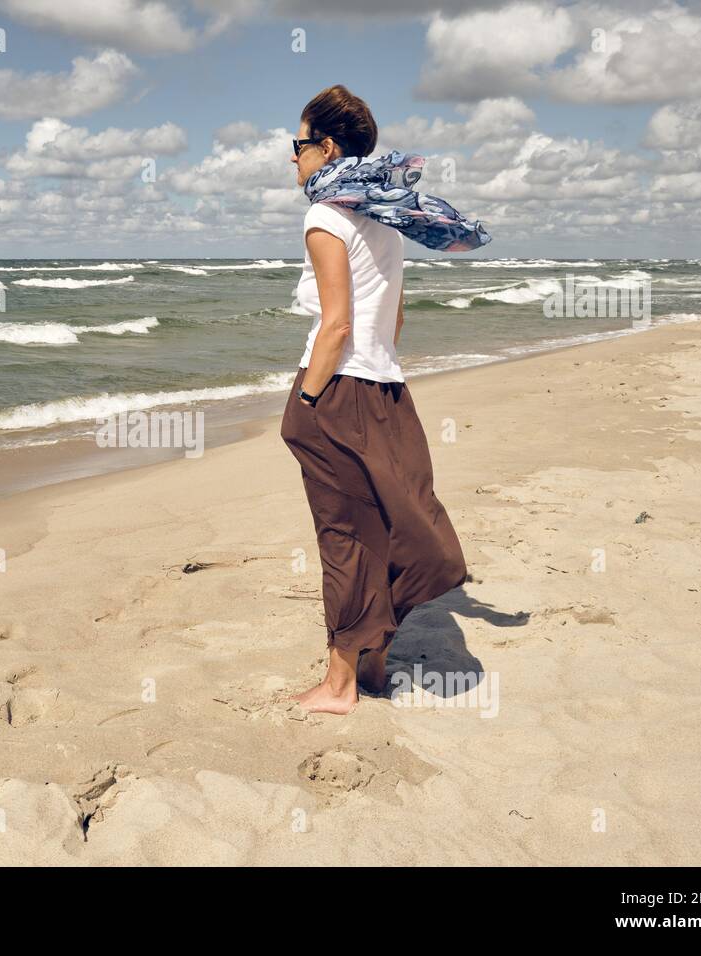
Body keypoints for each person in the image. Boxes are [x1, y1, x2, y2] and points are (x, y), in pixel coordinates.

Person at [280, 85, 471, 715]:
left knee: (343, 535)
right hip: (387, 388)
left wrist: (307, 400)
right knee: (384, 528)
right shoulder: (384, 221)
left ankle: (339, 685)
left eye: (299, 144)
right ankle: (374, 665)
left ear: (328, 147)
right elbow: (396, 318)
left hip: (338, 389)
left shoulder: (324, 218)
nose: (293, 157)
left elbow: (336, 325)